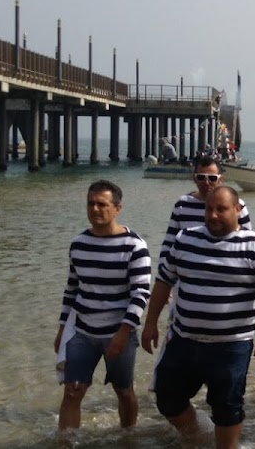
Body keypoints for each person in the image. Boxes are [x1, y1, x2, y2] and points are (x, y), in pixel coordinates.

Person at [142, 186, 255, 449]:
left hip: (231, 344)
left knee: (227, 408)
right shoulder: (185, 239)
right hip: (184, 340)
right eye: (209, 209)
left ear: (237, 210)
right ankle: (201, 436)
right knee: (167, 399)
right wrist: (150, 323)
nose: (214, 215)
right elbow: (164, 281)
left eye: (221, 209)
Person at [55, 180, 150, 432]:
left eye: (102, 204)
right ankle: (67, 444)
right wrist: (62, 329)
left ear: (117, 208)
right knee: (72, 392)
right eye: (90, 203)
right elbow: (72, 289)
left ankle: (128, 437)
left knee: (123, 391)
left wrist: (123, 333)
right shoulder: (78, 244)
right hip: (82, 333)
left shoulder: (134, 246)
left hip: (119, 333)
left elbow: (140, 294)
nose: (95, 209)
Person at [162, 157, 254, 268]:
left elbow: (249, 243)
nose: (206, 182)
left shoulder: (237, 206)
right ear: (194, 179)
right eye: (201, 177)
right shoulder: (182, 205)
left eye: (212, 178)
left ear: (221, 180)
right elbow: (169, 244)